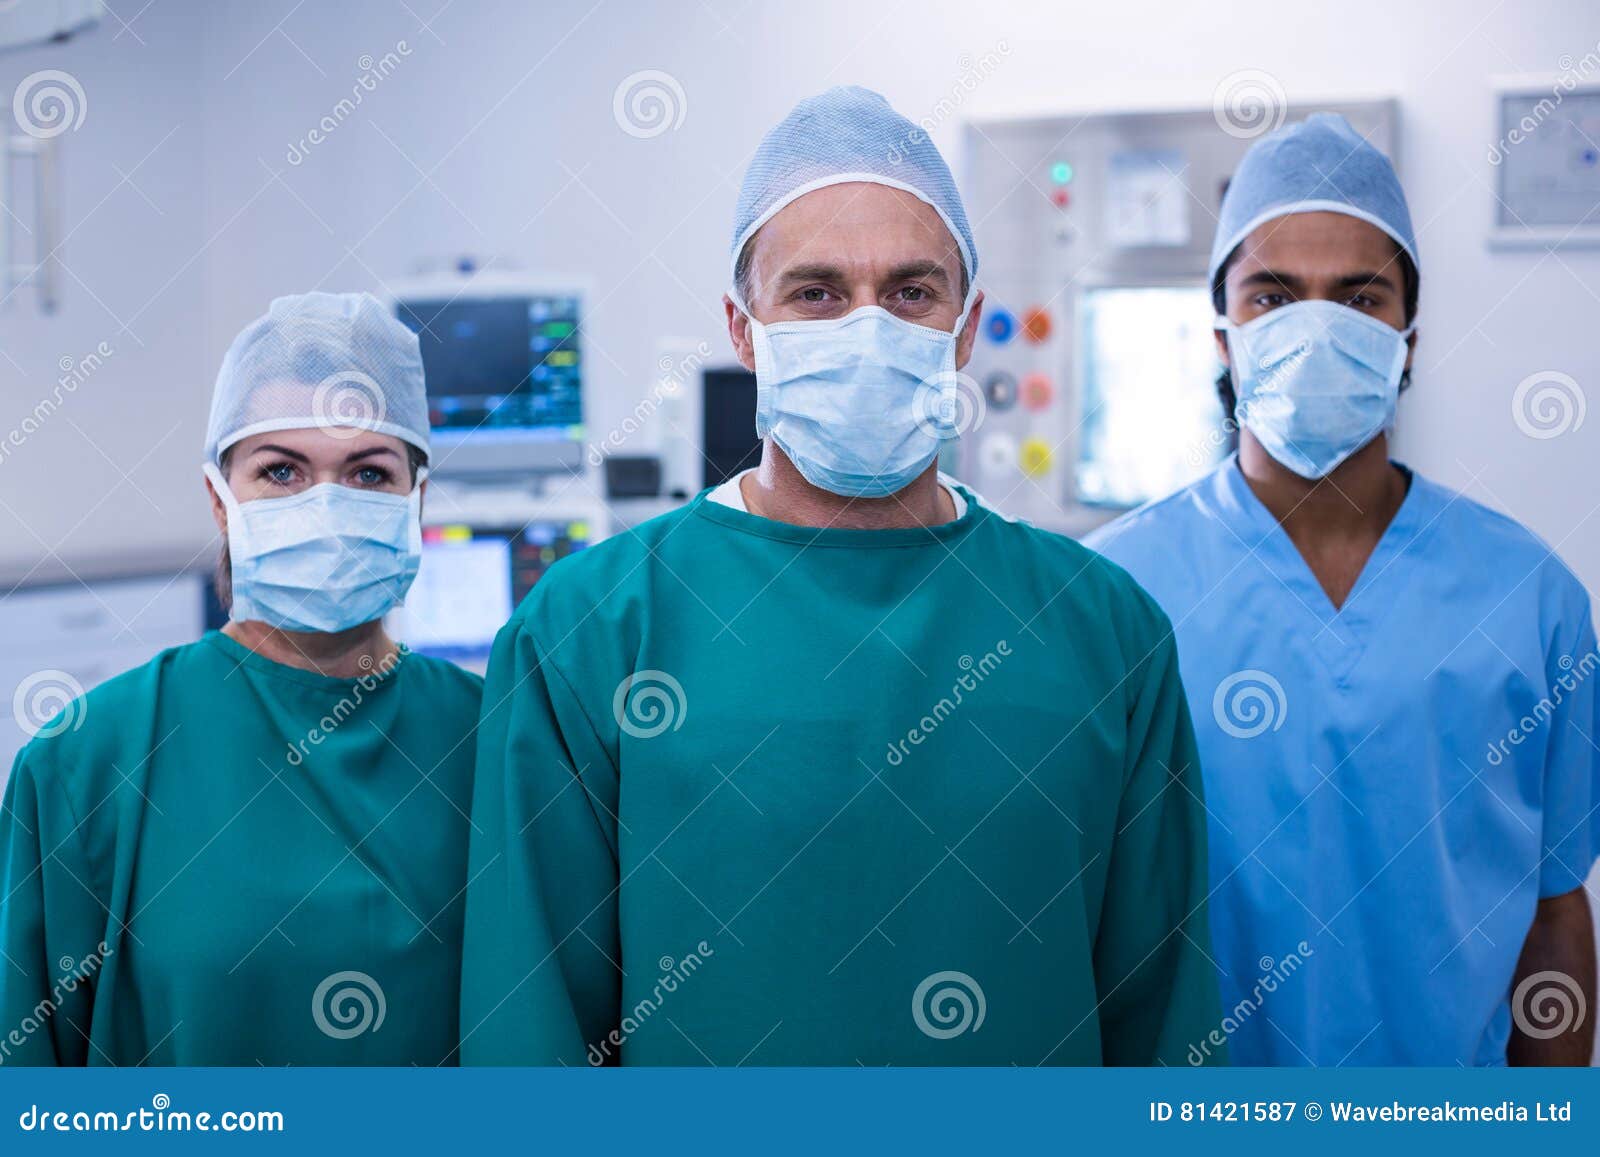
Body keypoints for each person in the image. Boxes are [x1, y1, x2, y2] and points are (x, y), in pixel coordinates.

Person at [460, 86, 1223, 1066]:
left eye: (910, 291)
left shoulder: (1103, 629)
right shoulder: (590, 630)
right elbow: (531, 1039)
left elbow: (1162, 1021)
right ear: (743, 330)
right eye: (816, 292)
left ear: (964, 324)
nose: (868, 326)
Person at [1087, 114, 1598, 1065]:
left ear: (1408, 338)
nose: (1314, 328)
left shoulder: (1532, 601)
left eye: (1359, 298)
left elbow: (1554, 910)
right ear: (1223, 337)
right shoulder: (1112, 593)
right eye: (1274, 296)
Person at [0, 292, 482, 1066]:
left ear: (416, 498)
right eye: (281, 470)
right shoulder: (86, 761)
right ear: (220, 502)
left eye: (368, 471)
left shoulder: (499, 741)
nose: (327, 502)